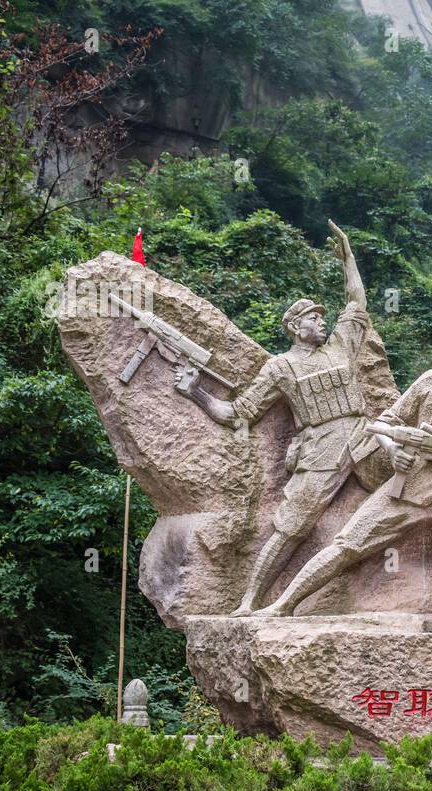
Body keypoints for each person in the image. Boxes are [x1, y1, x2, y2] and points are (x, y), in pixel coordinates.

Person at [175, 221, 379, 614]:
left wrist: (348, 257)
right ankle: (250, 601)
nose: (322, 321)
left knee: (412, 482)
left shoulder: (341, 345)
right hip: (320, 449)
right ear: (294, 327)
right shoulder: (279, 368)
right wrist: (195, 391)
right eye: (313, 318)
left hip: (363, 435)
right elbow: (237, 414)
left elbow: (357, 301)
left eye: (322, 317)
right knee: (291, 527)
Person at [256, 325, 432, 616]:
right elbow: (384, 424)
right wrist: (394, 452)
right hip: (414, 482)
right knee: (348, 543)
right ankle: (283, 605)